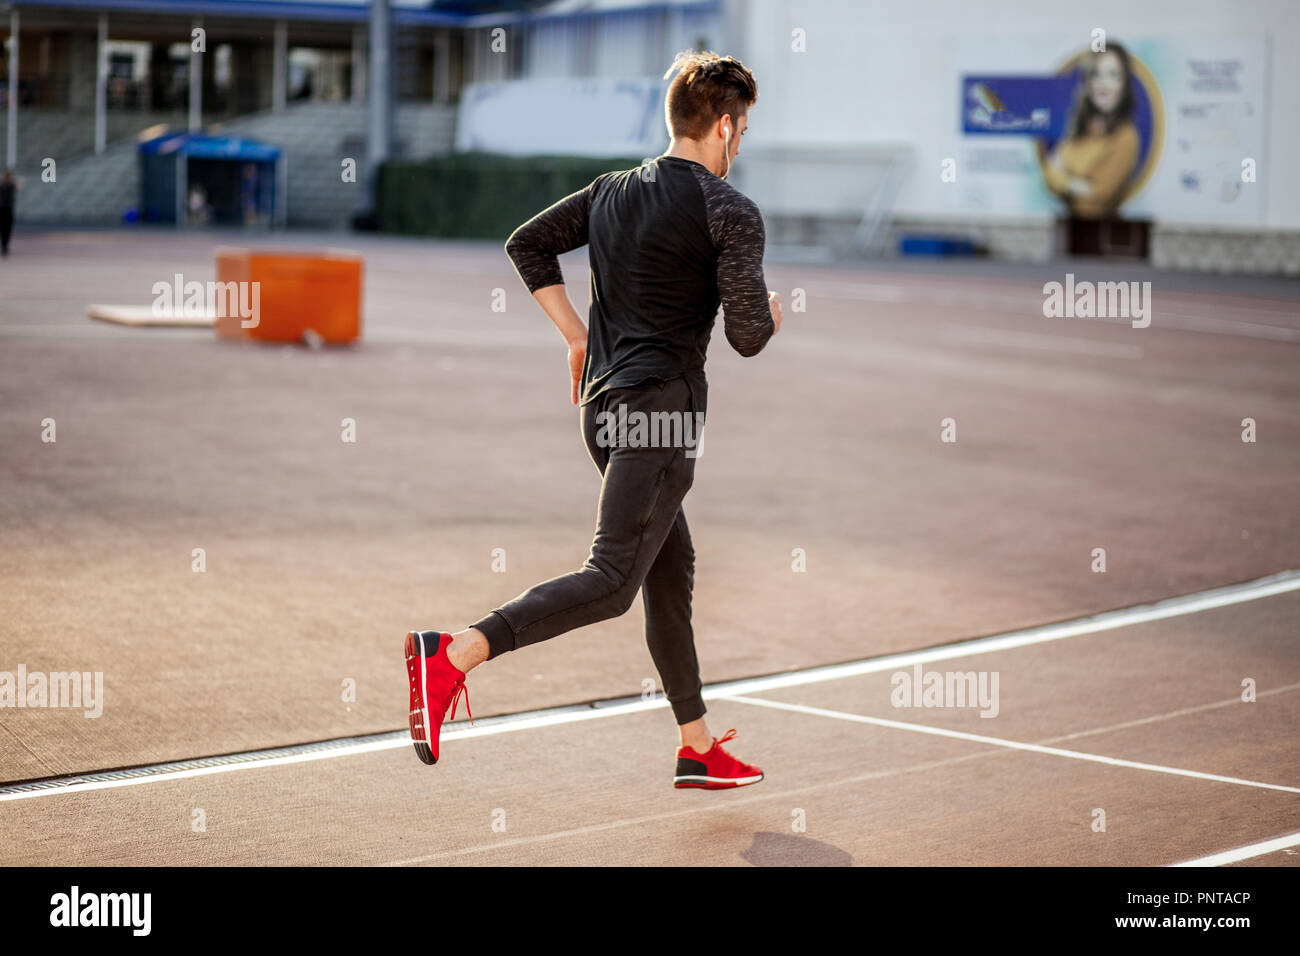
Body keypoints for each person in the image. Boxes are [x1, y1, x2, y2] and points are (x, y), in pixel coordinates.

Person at [405, 49, 782, 790]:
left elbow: (528, 242)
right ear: (728, 127)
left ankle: (697, 744)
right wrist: (769, 316)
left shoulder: (613, 189)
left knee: (669, 569)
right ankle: (451, 655)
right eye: (744, 131)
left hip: (602, 411)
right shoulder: (728, 209)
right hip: (661, 417)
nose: (742, 144)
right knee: (614, 580)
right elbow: (745, 337)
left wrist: (576, 336)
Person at [1043, 43, 1141, 218]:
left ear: (1124, 84)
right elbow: (1050, 174)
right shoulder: (1082, 127)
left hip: (1101, 230)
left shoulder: (1126, 136)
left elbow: (1098, 198)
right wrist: (1077, 185)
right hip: (1069, 226)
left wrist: (1064, 179)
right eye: (1097, 75)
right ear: (1088, 82)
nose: (1104, 85)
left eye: (1113, 75)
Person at [0, 169, 16, 257]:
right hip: (2, 209)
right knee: (3, 229)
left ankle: (5, 246)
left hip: (8, 210)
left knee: (7, 229)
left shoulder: (11, 186)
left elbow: (19, 185)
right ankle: (4, 246)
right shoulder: (2, 186)